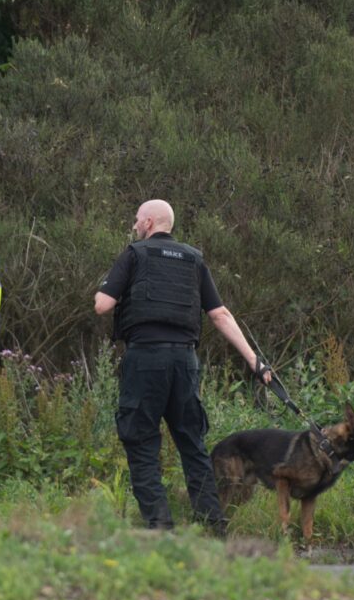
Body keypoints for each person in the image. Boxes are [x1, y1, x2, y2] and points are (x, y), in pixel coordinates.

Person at [94, 199, 273, 530]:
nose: (134, 226)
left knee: (141, 441)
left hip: (146, 360)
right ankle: (212, 523)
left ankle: (160, 526)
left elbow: (103, 305)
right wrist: (255, 362)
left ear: (148, 223)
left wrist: (109, 287)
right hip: (185, 362)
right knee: (192, 444)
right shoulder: (194, 260)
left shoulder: (134, 254)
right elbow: (220, 314)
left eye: (137, 221)